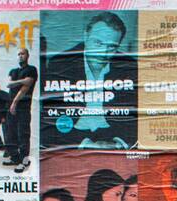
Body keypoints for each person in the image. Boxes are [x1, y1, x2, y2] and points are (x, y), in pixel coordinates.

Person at [43, 12, 137, 149]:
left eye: (112, 47)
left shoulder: (129, 66)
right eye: (98, 43)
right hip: (72, 137)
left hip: (113, 135)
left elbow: (134, 118)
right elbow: (51, 118)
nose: (103, 53)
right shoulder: (61, 63)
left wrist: (118, 142)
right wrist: (82, 144)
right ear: (86, 36)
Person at [3, 48, 37, 173]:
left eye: (22, 54)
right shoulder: (13, 71)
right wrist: (22, 81)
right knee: (10, 133)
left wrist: (15, 103)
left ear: (27, 55)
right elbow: (8, 84)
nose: (20, 56)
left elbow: (25, 88)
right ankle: (15, 158)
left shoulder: (31, 70)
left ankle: (24, 161)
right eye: (18, 54)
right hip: (11, 107)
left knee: (23, 134)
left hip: (22, 107)